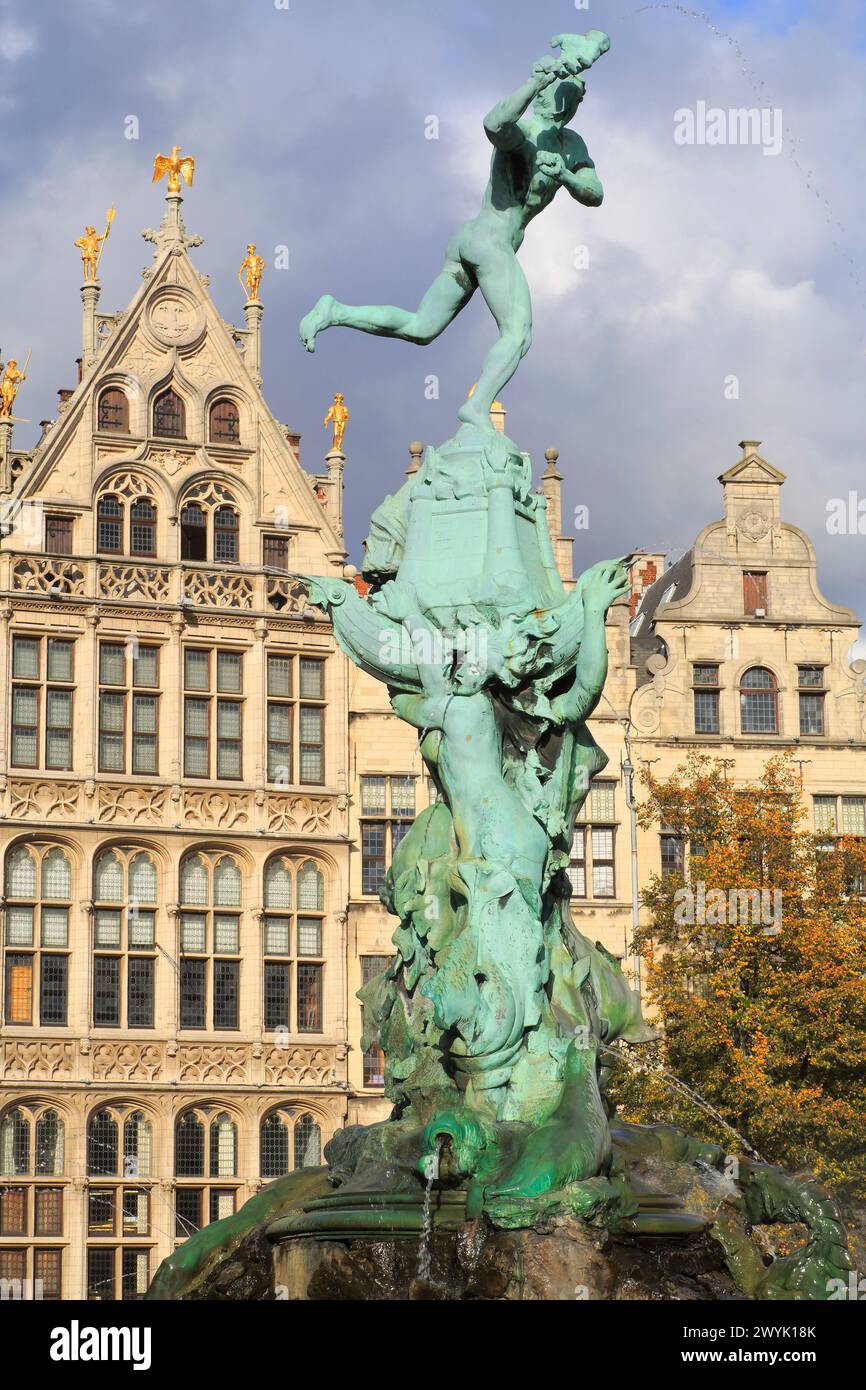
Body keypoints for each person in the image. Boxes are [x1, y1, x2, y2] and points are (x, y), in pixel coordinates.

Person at [299, 32, 609, 431]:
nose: (578, 99)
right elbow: (494, 123)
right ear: (554, 92)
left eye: (580, 94)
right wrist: (532, 84)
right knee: (518, 334)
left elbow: (595, 193)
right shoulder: (526, 133)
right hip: (490, 240)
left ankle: (335, 311)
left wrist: (565, 173)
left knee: (420, 328)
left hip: (472, 241)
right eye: (574, 91)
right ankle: (477, 406)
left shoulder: (572, 145)